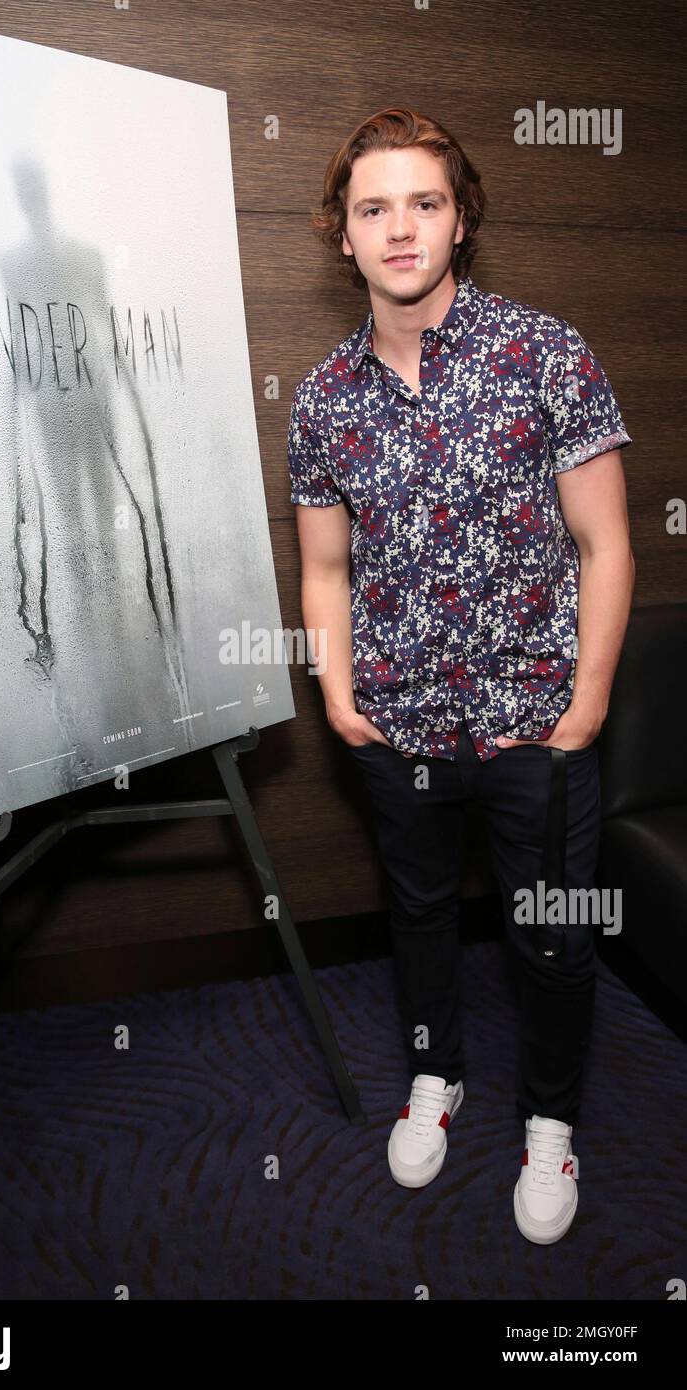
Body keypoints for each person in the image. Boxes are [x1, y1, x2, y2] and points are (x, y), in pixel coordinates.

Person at [287, 106, 634, 1245]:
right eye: (372, 207)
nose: (399, 227)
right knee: (422, 917)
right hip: (401, 728)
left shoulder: (547, 351)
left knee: (553, 933)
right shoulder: (326, 398)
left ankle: (550, 1122)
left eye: (423, 203)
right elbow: (326, 567)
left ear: (461, 216)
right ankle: (434, 1077)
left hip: (540, 725)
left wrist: (584, 708)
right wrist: (339, 696)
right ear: (343, 235)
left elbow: (607, 546)